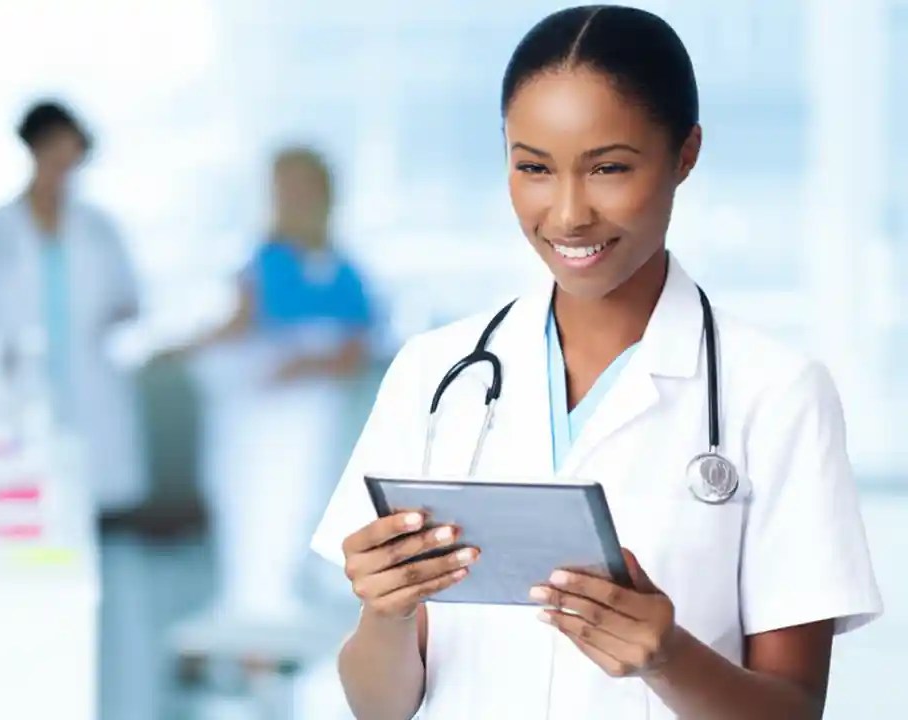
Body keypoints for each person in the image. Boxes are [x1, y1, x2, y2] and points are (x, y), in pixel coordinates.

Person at [309, 6, 881, 719]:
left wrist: (668, 656)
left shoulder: (776, 392)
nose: (570, 213)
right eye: (534, 169)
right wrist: (385, 614)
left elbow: (793, 710)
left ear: (685, 154)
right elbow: (380, 708)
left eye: (609, 167)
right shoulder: (434, 375)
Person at [172, 147, 377, 647]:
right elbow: (238, 325)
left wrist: (310, 364)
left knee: (299, 498)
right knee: (251, 495)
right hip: (261, 408)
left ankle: (282, 599)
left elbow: (356, 344)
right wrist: (179, 347)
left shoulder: (343, 270)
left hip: (311, 410)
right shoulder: (262, 261)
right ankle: (252, 599)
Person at [0, 100, 146, 514]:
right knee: (22, 501)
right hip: (14, 386)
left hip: (90, 383)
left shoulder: (100, 229)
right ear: (32, 149)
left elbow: (131, 302)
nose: (62, 167)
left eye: (72, 156)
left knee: (92, 511)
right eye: (54, 153)